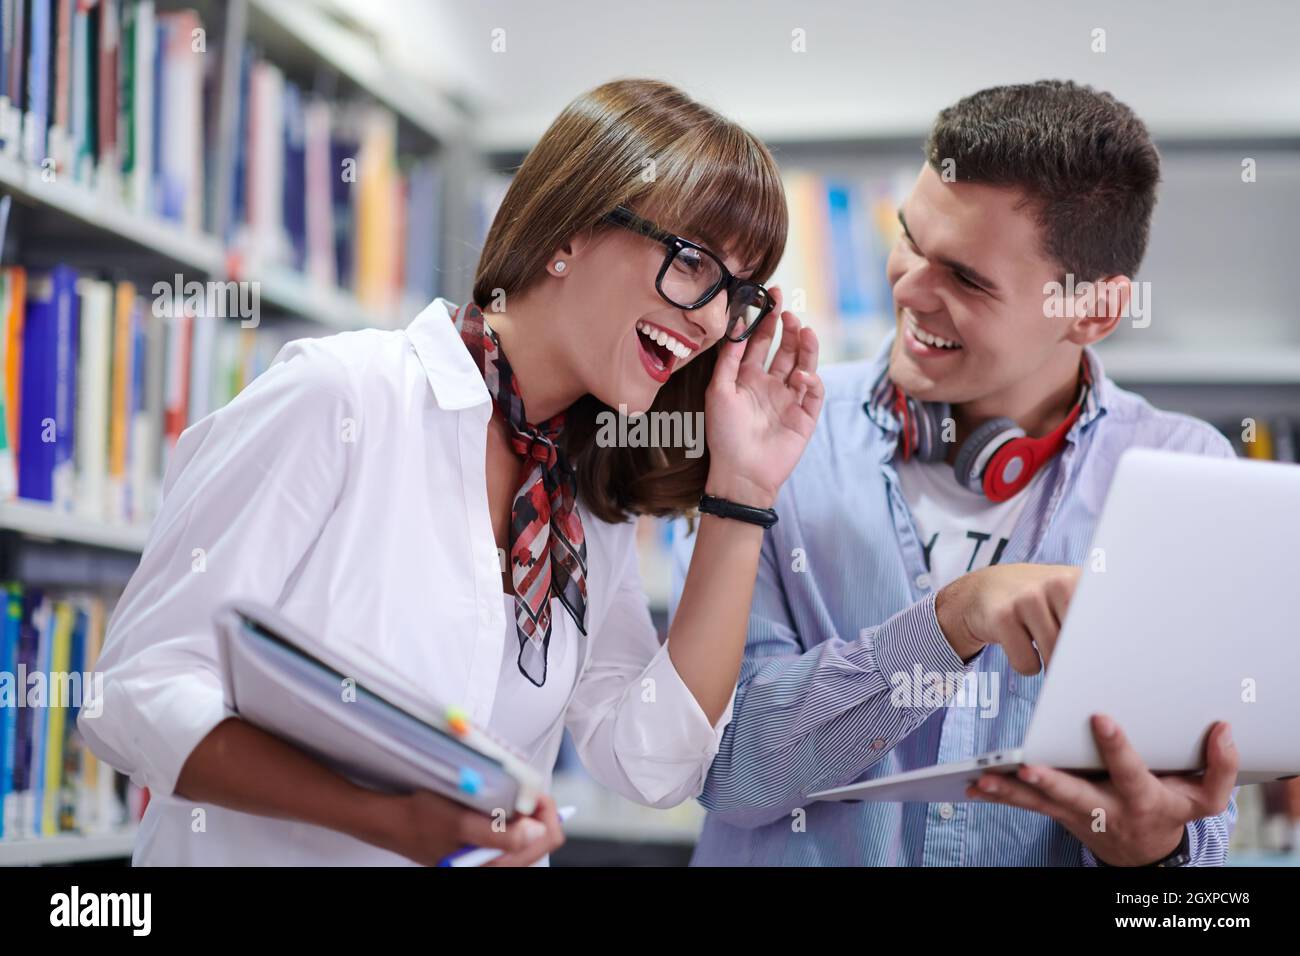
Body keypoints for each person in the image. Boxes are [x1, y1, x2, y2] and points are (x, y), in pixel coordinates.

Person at [80, 78, 824, 866]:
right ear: (569, 231)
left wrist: (743, 492)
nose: (711, 317)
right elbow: (135, 693)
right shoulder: (344, 398)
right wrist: (385, 819)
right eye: (694, 261)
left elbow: (652, 761)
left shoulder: (581, 508)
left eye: (738, 294)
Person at [670, 80, 1238, 866]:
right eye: (908, 237)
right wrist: (950, 623)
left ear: (1094, 312)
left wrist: (1153, 850)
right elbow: (723, 767)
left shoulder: (1189, 477)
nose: (906, 287)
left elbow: (1192, 861)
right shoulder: (762, 432)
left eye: (968, 279)